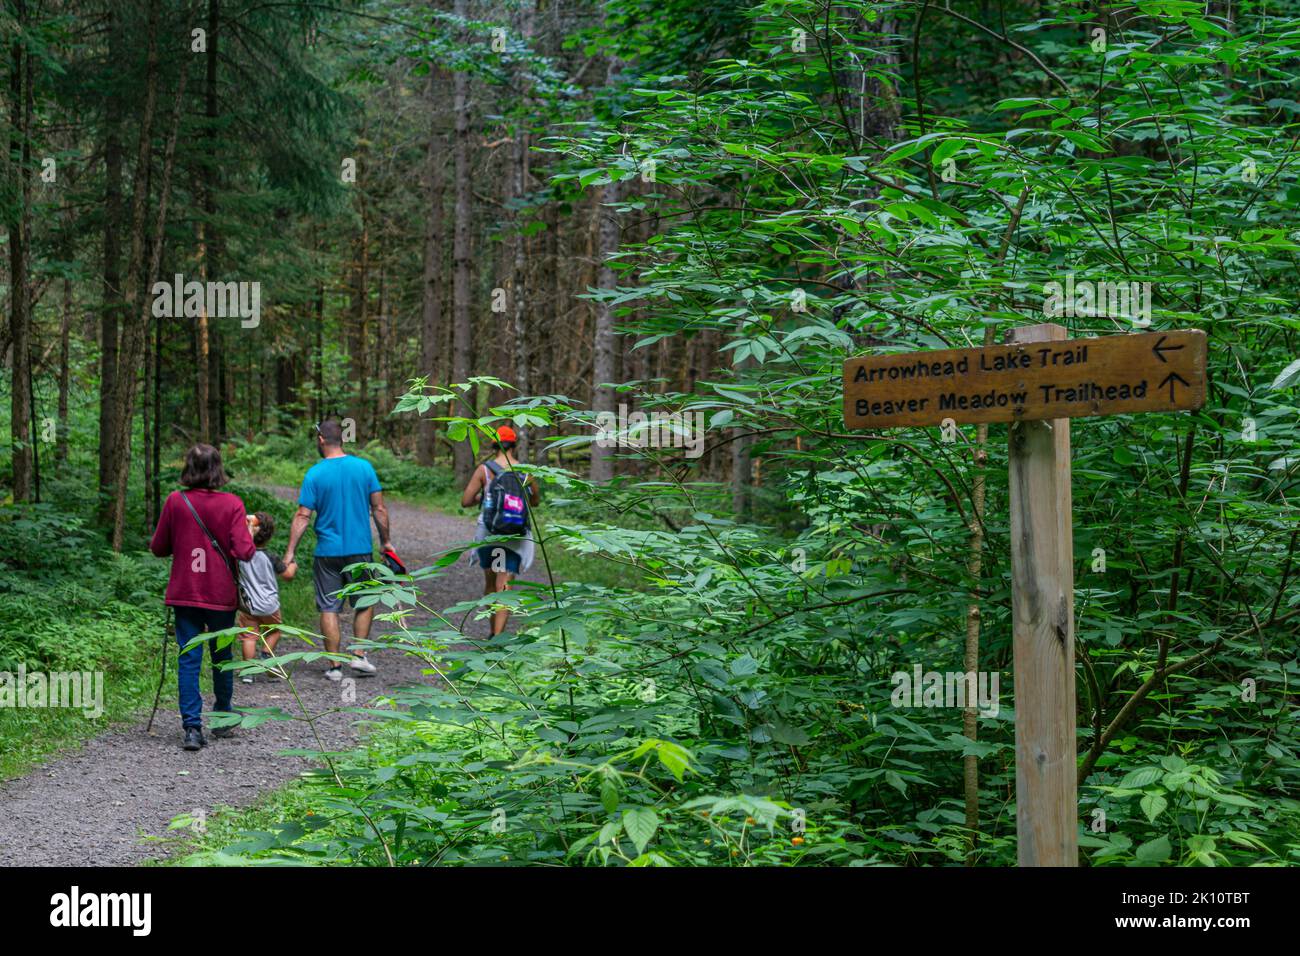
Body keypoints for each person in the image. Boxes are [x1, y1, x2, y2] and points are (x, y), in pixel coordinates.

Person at [149, 443, 256, 751]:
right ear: (217, 469)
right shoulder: (232, 504)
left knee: (189, 658)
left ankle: (192, 728)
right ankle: (222, 718)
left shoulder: (176, 501)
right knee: (222, 657)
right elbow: (245, 551)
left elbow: (158, 548)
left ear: (188, 468)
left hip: (185, 592)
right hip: (220, 594)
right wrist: (248, 530)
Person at [283, 420, 391, 681]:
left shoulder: (314, 474)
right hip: (360, 549)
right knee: (365, 601)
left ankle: (334, 667)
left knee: (329, 607)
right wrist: (386, 541)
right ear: (342, 439)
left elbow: (303, 515)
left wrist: (290, 552)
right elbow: (379, 508)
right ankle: (359, 656)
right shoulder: (364, 468)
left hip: (327, 552)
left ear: (321, 439)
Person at [460, 425, 540, 637]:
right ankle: (497, 636)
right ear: (514, 445)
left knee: (490, 582)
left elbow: (466, 501)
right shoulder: (525, 471)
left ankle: (493, 632)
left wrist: (485, 497)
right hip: (514, 532)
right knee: (504, 583)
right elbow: (535, 500)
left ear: (494, 445)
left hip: (489, 531)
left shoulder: (484, 470)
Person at [236, 511, 296, 683]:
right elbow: (288, 575)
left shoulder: (240, 557)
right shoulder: (271, 557)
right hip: (270, 605)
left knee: (249, 637)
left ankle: (248, 672)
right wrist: (293, 565)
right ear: (269, 536)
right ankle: (266, 655)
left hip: (248, 605)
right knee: (275, 631)